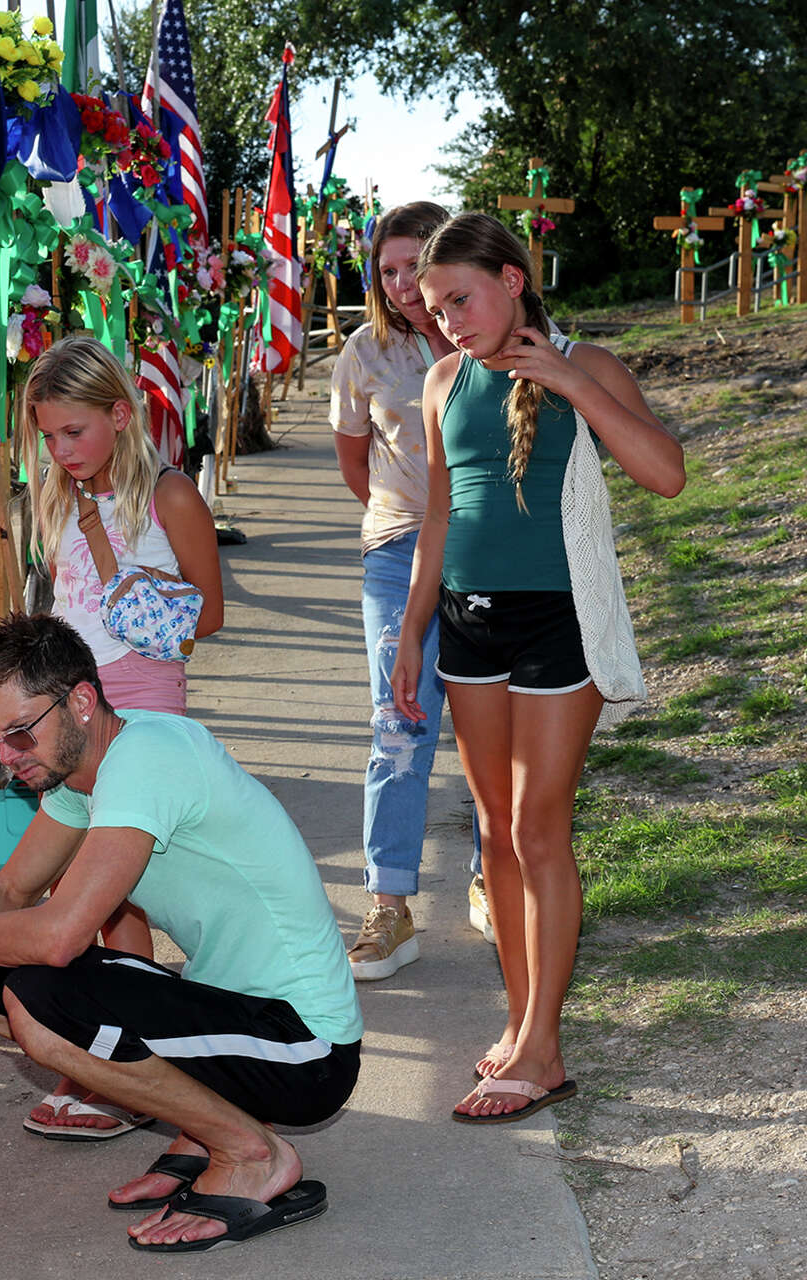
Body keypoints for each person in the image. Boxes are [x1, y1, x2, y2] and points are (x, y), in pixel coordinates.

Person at [0, 613, 361, 1251]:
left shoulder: (147, 757)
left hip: (307, 1049)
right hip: (240, 1021)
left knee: (42, 996)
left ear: (82, 701)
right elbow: (9, 893)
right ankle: (209, 1129)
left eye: (21, 734)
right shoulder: (81, 777)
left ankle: (251, 1153)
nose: (7, 758)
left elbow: (60, 936)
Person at [393, 212, 685, 1121]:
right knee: (494, 834)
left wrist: (565, 381)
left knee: (537, 826)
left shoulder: (588, 366)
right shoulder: (444, 381)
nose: (446, 319)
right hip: (467, 625)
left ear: (513, 280)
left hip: (560, 624)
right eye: (435, 307)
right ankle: (524, 1028)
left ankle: (543, 1045)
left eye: (460, 298)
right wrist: (411, 630)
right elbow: (437, 515)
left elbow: (666, 473)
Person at [13, 334, 225, 1138]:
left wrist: (138, 597)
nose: (62, 450)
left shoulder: (169, 495)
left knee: (117, 886)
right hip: (74, 695)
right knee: (109, 894)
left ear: (121, 414)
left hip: (141, 692)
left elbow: (209, 613)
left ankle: (121, 1065)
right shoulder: (58, 495)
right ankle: (115, 1054)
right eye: (49, 436)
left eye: (76, 432)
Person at [328, 200, 486, 984]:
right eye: (384, 271)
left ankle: (493, 879)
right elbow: (355, 463)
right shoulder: (363, 352)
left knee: (497, 721)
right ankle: (390, 906)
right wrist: (406, 520)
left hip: (489, 550)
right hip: (397, 553)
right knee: (401, 722)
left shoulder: (487, 339)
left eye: (410, 266)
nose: (398, 284)